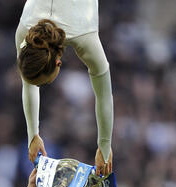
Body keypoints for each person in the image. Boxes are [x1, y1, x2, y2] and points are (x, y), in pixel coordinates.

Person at [16, 0, 114, 177]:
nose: (39, 86)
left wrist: (105, 147)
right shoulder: (24, 34)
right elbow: (28, 84)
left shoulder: (85, 39)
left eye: (44, 83)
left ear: (58, 63)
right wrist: (33, 135)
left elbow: (104, 96)